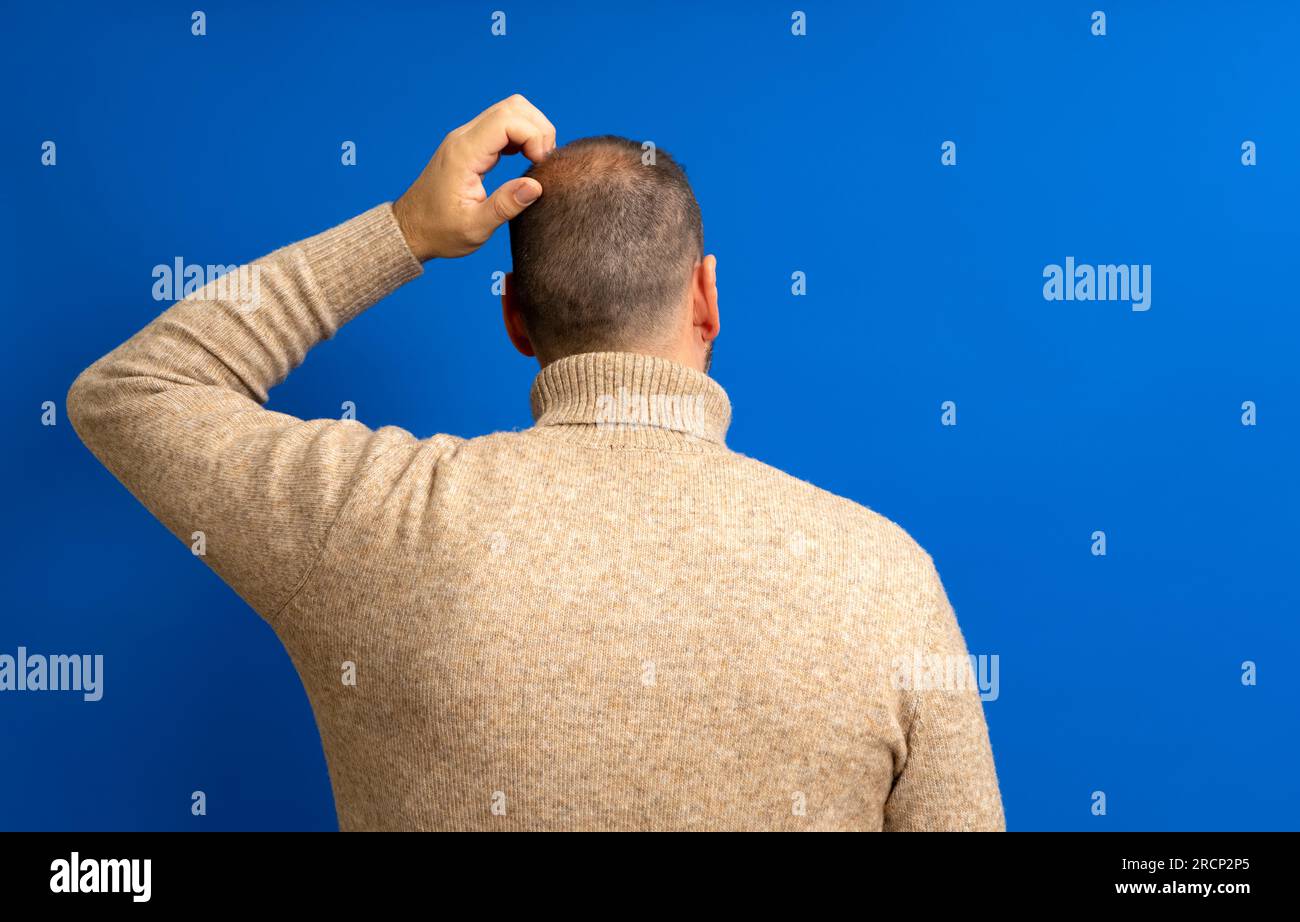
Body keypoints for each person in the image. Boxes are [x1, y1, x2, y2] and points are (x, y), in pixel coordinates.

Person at [68, 95, 1004, 831]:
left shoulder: (381, 518)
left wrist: (404, 230)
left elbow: (136, 390)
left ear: (513, 315)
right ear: (707, 298)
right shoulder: (883, 577)